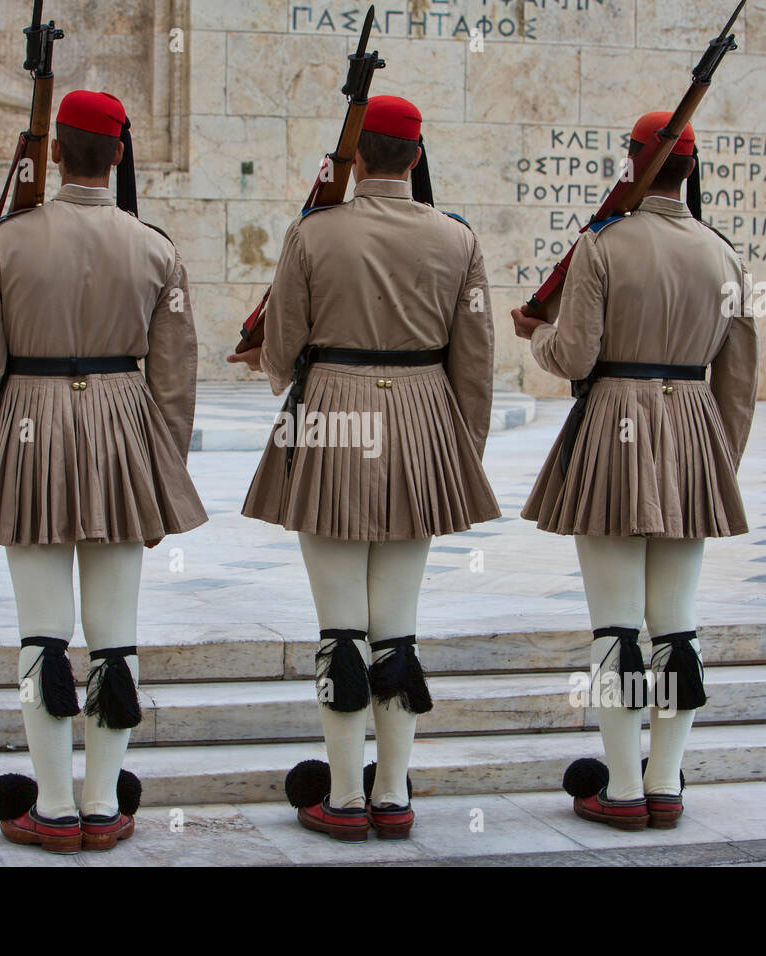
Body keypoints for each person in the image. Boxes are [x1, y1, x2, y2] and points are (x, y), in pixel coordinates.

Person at [229, 95, 500, 842]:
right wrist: (460, 452)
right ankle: (394, 793)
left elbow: (282, 357)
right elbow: (474, 362)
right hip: (420, 423)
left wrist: (276, 361)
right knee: (397, 630)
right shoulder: (457, 239)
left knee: (339, 627)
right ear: (415, 157)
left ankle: (344, 797)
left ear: (358, 157)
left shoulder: (314, 233)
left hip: (330, 421)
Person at [0, 89, 206, 853]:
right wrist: (159, 473)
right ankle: (103, 805)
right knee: (115, 638)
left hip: (30, 428)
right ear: (120, 155)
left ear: (55, 153)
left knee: (40, 635)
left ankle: (53, 808)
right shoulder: (157, 248)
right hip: (121, 428)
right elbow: (175, 379)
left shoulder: (7, 241)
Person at [512, 112, 758, 831]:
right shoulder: (724, 255)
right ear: (692, 169)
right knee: (676, 628)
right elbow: (738, 382)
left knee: (615, 627)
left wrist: (538, 337)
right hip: (691, 429)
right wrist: (716, 463)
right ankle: (665, 784)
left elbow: (577, 357)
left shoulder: (603, 245)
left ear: (631, 165)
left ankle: (620, 789)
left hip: (615, 430)